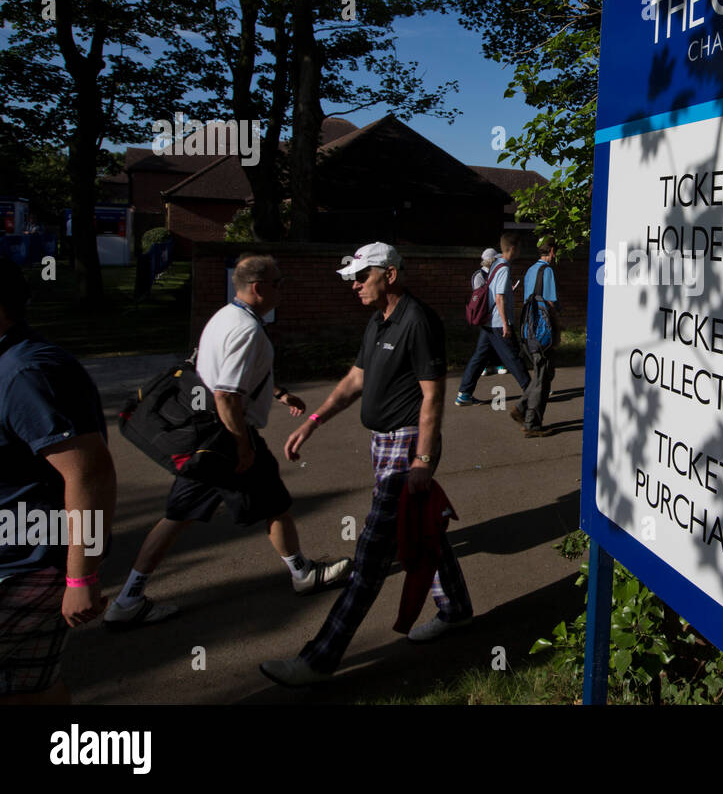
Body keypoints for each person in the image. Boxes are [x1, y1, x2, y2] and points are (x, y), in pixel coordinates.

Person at [260, 243, 473, 686]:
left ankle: (319, 660)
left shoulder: (418, 321)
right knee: (420, 527)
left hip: (406, 445)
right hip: (382, 444)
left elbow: (432, 396)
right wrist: (314, 421)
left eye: (362, 277)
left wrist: (423, 459)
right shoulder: (378, 321)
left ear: (390, 275)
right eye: (353, 279)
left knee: (371, 555)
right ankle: (455, 609)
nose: (354, 286)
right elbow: (356, 379)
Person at [104, 255, 350, 629]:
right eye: (278, 282)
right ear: (258, 287)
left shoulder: (225, 317)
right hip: (227, 437)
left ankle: (128, 598)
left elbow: (226, 374)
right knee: (273, 505)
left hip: (211, 437)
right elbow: (225, 394)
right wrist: (243, 445)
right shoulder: (247, 329)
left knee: (184, 515)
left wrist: (279, 393)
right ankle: (302, 574)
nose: (283, 288)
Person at [0, 258, 116, 703]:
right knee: (32, 687)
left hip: (20, 571)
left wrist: (81, 578)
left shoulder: (25, 373)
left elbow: (89, 471)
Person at [454, 232, 531, 409]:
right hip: (498, 321)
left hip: (488, 321)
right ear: (513, 249)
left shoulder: (495, 264)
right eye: (519, 248)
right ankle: (531, 389)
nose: (520, 251)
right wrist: (506, 323)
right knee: (513, 356)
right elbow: (499, 297)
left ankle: (464, 393)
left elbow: (496, 291)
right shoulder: (504, 267)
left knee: (479, 357)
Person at [517, 236, 559, 437]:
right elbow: (550, 302)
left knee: (544, 372)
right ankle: (531, 423)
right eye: (555, 251)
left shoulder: (530, 270)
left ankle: (522, 408)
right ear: (551, 251)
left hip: (529, 329)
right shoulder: (547, 271)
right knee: (543, 376)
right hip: (543, 331)